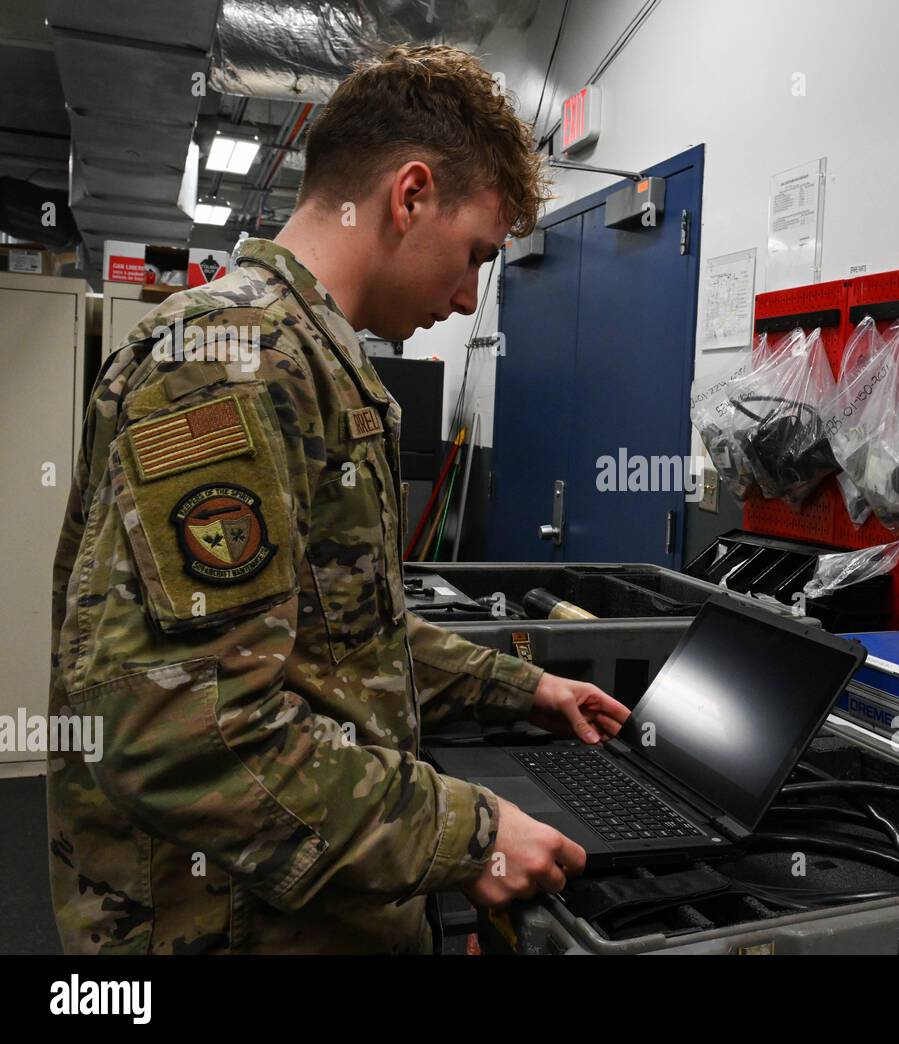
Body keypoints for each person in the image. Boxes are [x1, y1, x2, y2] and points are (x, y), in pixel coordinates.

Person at [47, 42, 629, 955]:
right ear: (409, 195)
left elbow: (345, 635)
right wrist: (467, 835)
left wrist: (523, 686)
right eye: (476, 253)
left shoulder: (314, 359)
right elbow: (181, 733)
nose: (470, 294)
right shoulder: (230, 361)